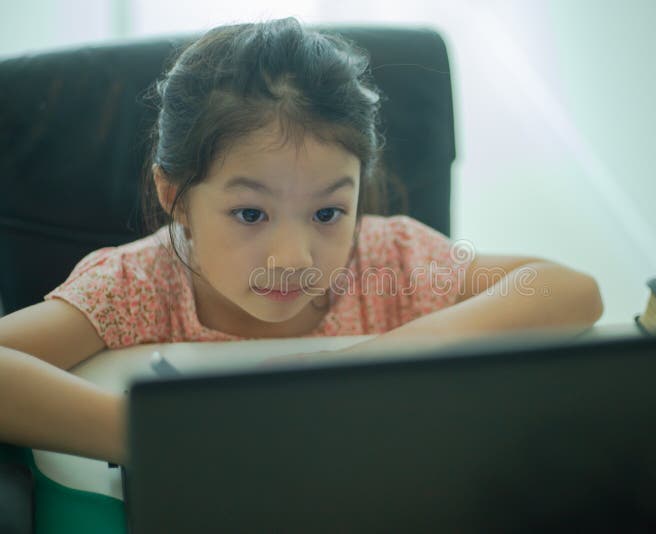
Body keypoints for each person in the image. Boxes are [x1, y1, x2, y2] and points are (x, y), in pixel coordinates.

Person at [0, 18, 603, 465]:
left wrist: (353, 368)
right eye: (249, 213)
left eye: (327, 211)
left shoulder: (387, 261)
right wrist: (169, 436)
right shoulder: (137, 287)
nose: (294, 258)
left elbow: (570, 291)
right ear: (175, 195)